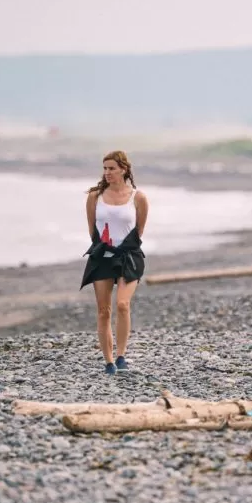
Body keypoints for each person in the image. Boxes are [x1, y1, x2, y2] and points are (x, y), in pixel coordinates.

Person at [80, 150, 149, 374]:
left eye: (111, 168)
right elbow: (92, 230)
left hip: (129, 256)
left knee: (122, 304)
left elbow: (138, 232)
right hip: (102, 257)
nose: (107, 172)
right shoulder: (94, 196)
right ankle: (108, 361)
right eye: (105, 168)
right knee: (103, 310)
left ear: (124, 169)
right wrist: (104, 249)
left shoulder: (138, 197)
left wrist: (122, 248)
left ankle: (121, 355)